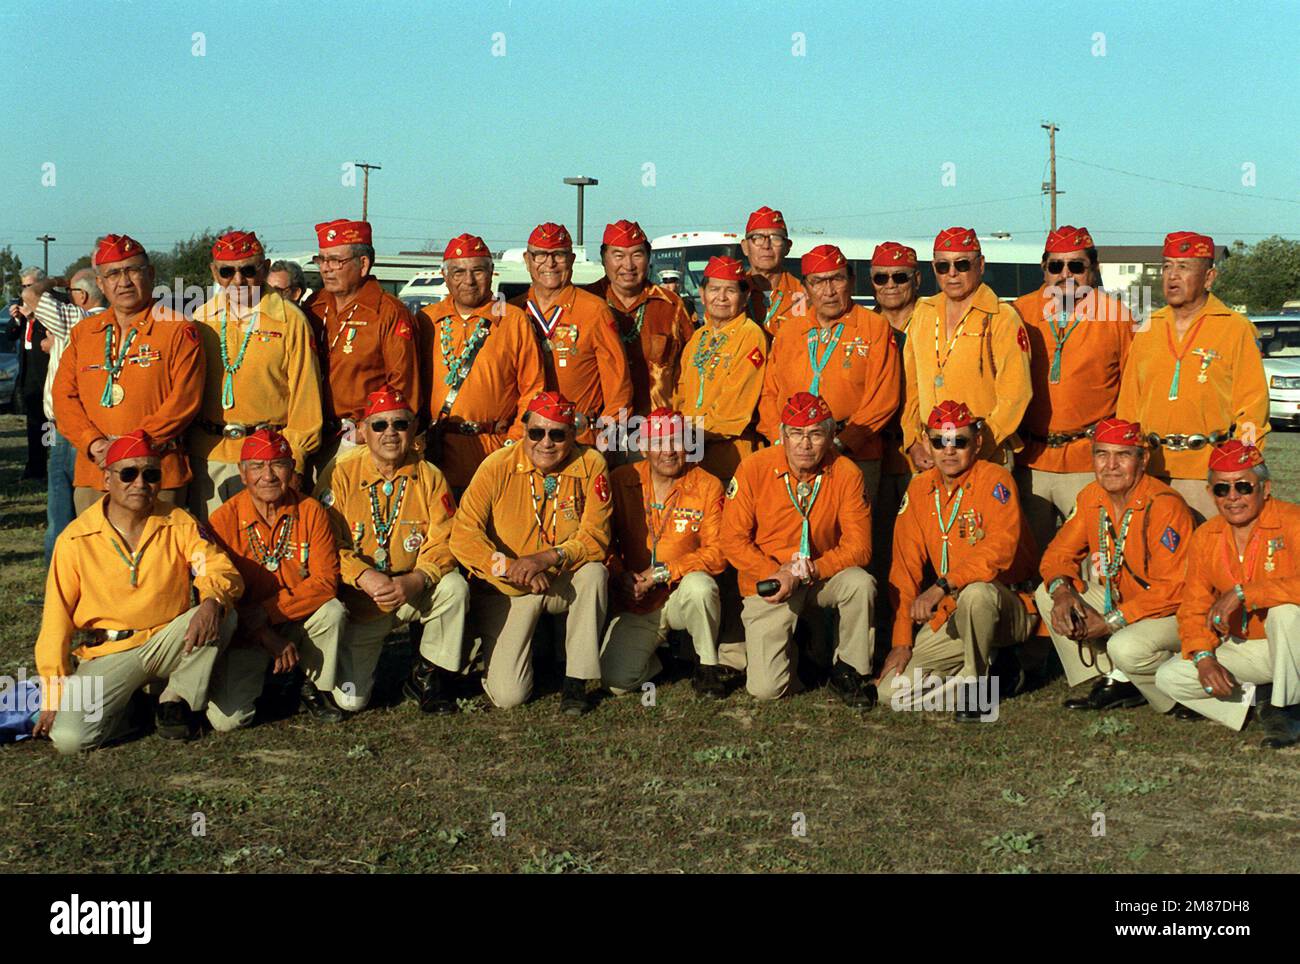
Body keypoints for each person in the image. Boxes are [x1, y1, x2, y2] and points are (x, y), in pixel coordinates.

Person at [34, 431, 243, 753]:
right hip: (109, 651)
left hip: (169, 641)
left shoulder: (179, 521)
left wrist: (212, 601)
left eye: (151, 474)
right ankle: (130, 706)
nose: (140, 483)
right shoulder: (75, 539)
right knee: (69, 740)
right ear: (106, 478)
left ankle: (176, 701)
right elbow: (55, 624)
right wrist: (52, 694)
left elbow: (218, 567)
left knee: (221, 613)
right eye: (128, 473)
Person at [450, 391, 612, 715]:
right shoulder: (496, 466)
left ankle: (575, 681)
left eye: (557, 434)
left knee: (594, 573)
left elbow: (596, 536)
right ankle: (507, 652)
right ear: (524, 431)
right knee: (509, 696)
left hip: (560, 576)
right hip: (511, 587)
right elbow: (463, 535)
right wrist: (509, 567)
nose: (546, 443)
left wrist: (548, 558)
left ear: (573, 436)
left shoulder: (591, 464)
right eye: (537, 432)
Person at [880, 401, 1038, 720]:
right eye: (940, 441)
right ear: (926, 443)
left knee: (977, 592)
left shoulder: (995, 480)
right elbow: (905, 567)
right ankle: (993, 675)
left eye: (959, 442)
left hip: (1007, 606)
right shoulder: (920, 488)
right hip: (952, 610)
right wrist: (901, 640)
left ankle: (977, 689)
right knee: (890, 692)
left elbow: (1000, 550)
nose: (949, 451)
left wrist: (942, 585)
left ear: (977, 443)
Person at [315, 386, 469, 714]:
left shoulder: (430, 476)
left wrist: (418, 579)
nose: (390, 434)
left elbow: (445, 540)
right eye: (379, 425)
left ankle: (428, 675)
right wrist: (362, 575)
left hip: (411, 589)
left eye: (400, 425)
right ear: (363, 431)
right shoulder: (340, 473)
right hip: (364, 598)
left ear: (413, 429)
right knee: (351, 701)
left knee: (454, 587)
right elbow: (325, 542)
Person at [720, 392, 877, 706]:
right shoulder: (753, 468)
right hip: (771, 581)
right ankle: (799, 648)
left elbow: (860, 547)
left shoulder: (847, 473)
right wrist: (776, 573)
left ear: (831, 436)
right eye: (796, 434)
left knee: (860, 583)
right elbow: (732, 541)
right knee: (766, 691)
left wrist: (813, 569)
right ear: (782, 435)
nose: (805, 444)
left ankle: (850, 671)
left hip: (820, 575)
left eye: (816, 434)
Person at [1035, 418, 1196, 715]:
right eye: (1102, 454)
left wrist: (1112, 622)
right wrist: (1062, 593)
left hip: (1172, 612)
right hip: (1122, 603)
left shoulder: (1163, 504)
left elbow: (1176, 590)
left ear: (1143, 459)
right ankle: (1113, 675)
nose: (1111, 465)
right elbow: (1057, 554)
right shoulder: (1091, 497)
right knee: (1047, 593)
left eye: (1123, 455)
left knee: (1125, 645)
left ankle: (1185, 688)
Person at [1117, 231, 1269, 521]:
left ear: (1209, 277)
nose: (1172, 276)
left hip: (1207, 474)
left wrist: (1236, 468)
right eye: (1167, 267)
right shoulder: (1149, 327)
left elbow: (1253, 407)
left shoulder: (1235, 328)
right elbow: (1129, 404)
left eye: (1184, 267)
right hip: (1152, 472)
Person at [1156, 441, 1300, 747]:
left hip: (1293, 643)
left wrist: (1246, 593)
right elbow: (1193, 607)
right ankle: (1260, 699)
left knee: (1286, 613)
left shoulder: (1293, 521)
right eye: (1222, 489)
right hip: (1251, 647)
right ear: (1211, 494)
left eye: (1243, 487)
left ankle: (1288, 709)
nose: (1233, 497)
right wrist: (1204, 657)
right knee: (1169, 678)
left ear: (1266, 487)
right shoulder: (1206, 536)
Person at [52, 234, 204, 514]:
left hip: (154, 472)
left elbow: (185, 401)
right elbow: (63, 396)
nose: (124, 282)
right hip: (95, 471)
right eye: (112, 274)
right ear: (100, 283)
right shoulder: (84, 333)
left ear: (152, 273)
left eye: (133, 270)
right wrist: (94, 443)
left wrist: (132, 448)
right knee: (97, 555)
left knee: (157, 555)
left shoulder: (178, 329)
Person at [205, 430, 346, 730]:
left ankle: (313, 685)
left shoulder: (310, 511)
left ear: (291, 469)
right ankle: (267, 681)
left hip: (296, 620)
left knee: (332, 612)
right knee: (227, 721)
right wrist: (264, 632)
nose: (268, 475)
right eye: (257, 466)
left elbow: (325, 582)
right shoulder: (222, 520)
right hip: (247, 630)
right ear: (242, 473)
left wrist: (268, 612)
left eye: (278, 465)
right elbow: (221, 592)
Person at [1014, 226, 1134, 553]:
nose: (1065, 274)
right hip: (1031, 461)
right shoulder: (1018, 313)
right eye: (1056, 266)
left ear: (1092, 269)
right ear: (1044, 268)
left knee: (1091, 558)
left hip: (1088, 461)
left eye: (1076, 266)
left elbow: (1131, 391)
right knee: (1028, 558)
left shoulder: (1117, 316)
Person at [189, 230, 323, 517]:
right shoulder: (201, 319)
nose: (238, 281)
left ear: (264, 267)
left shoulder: (290, 320)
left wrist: (295, 459)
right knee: (215, 550)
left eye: (248, 270)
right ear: (214, 272)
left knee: (268, 551)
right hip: (211, 457)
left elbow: (306, 396)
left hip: (269, 460)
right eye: (227, 272)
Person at [758, 244, 901, 501]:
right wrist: (780, 441)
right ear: (806, 288)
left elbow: (884, 397)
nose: (829, 290)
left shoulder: (874, 328)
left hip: (855, 455)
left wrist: (841, 442)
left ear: (852, 281)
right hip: (793, 455)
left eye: (837, 279)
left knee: (852, 532)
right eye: (818, 282)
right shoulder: (790, 332)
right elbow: (769, 393)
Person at [600, 408, 727, 698]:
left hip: (681, 592)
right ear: (643, 448)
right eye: (659, 443)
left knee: (700, 586)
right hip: (639, 599)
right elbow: (603, 543)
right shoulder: (621, 480)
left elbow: (719, 552)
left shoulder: (707, 485)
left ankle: (707, 667)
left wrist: (664, 572)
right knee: (616, 682)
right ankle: (660, 661)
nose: (668, 451)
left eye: (677, 441)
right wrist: (621, 576)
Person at [421, 232, 544, 491]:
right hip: (435, 454)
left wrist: (513, 442)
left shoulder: (512, 319)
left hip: (494, 450)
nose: (468, 280)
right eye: (458, 272)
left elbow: (533, 390)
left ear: (491, 273)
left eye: (477, 271)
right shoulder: (425, 320)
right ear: (445, 276)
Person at [901, 228, 1032, 468]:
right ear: (933, 268)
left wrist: (976, 447)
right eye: (943, 266)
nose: (952, 274)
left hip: (985, 455)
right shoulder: (923, 313)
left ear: (980, 265)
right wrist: (912, 441)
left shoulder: (1002, 317)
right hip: (932, 453)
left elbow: (1016, 394)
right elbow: (911, 388)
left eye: (962, 265)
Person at [306, 219, 420, 472]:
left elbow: (404, 385)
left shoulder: (388, 312)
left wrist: (363, 433)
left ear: (363, 264)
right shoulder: (314, 306)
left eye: (336, 260)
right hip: (312, 439)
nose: (326, 269)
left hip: (361, 441)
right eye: (321, 260)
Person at [510, 222, 631, 448]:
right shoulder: (513, 312)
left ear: (572, 260)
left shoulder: (595, 311)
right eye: (541, 256)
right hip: (526, 441)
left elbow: (619, 389)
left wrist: (607, 442)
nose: (550, 263)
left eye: (559, 255)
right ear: (527, 260)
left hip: (579, 440)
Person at [30, 269, 106, 561]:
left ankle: (58, 581)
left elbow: (31, 294)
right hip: (92, 425)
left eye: (71, 293)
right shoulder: (103, 324)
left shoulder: (75, 319)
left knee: (60, 510)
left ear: (83, 296)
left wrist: (54, 282)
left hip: (67, 426)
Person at [584, 219, 694, 417]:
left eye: (637, 255)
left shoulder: (671, 306)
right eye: (618, 255)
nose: (628, 265)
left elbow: (690, 372)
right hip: (599, 428)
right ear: (603, 258)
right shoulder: (586, 303)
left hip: (656, 432)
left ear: (648, 257)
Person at [672, 256, 768, 481]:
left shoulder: (750, 335)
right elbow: (681, 393)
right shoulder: (699, 337)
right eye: (714, 289)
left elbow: (734, 408)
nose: (721, 298)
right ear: (703, 295)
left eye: (731, 291)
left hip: (729, 457)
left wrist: (687, 435)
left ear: (744, 297)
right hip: (691, 454)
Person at [869, 242, 922, 582]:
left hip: (921, 452)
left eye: (899, 276)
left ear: (916, 279)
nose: (889, 284)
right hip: (875, 452)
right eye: (881, 277)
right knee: (876, 547)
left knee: (921, 544)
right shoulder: (862, 328)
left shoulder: (934, 322)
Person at [9, 267, 51, 480]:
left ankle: (47, 464)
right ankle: (34, 466)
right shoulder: (24, 309)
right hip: (28, 375)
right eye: (23, 286)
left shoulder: (50, 307)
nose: (26, 291)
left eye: (30, 286)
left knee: (48, 424)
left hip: (45, 373)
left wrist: (34, 314)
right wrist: (17, 319)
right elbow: (10, 335)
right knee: (33, 422)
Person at [741, 205, 805, 337]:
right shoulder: (732, 294)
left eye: (775, 238)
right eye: (757, 238)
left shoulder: (804, 295)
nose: (766, 246)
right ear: (745, 247)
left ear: (787, 247)